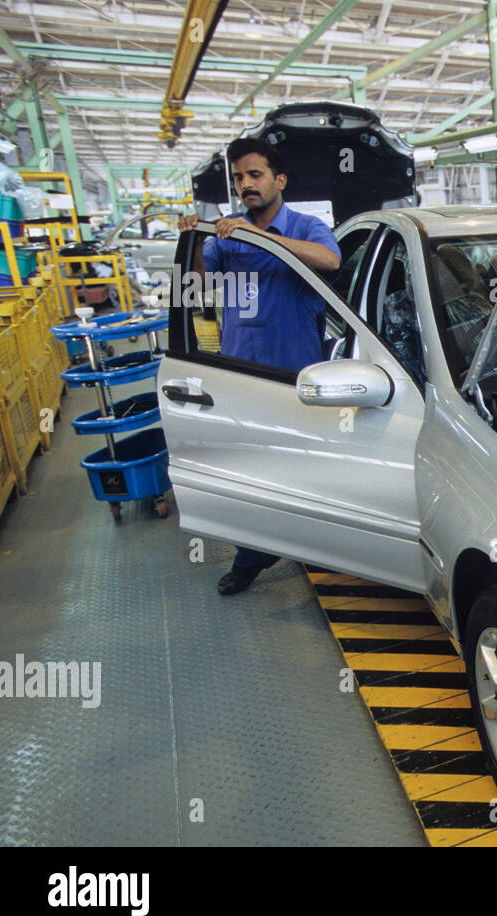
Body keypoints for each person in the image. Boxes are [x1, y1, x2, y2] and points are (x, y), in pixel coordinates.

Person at [178, 138, 341, 595]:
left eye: (255, 175)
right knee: (249, 471)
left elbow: (331, 260)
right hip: (242, 373)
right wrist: (194, 239)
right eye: (238, 178)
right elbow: (195, 290)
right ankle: (253, 555)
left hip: (295, 377)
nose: (245, 185)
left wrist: (266, 240)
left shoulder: (306, 228)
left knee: (306, 467)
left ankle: (322, 546)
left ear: (279, 180)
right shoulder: (226, 238)